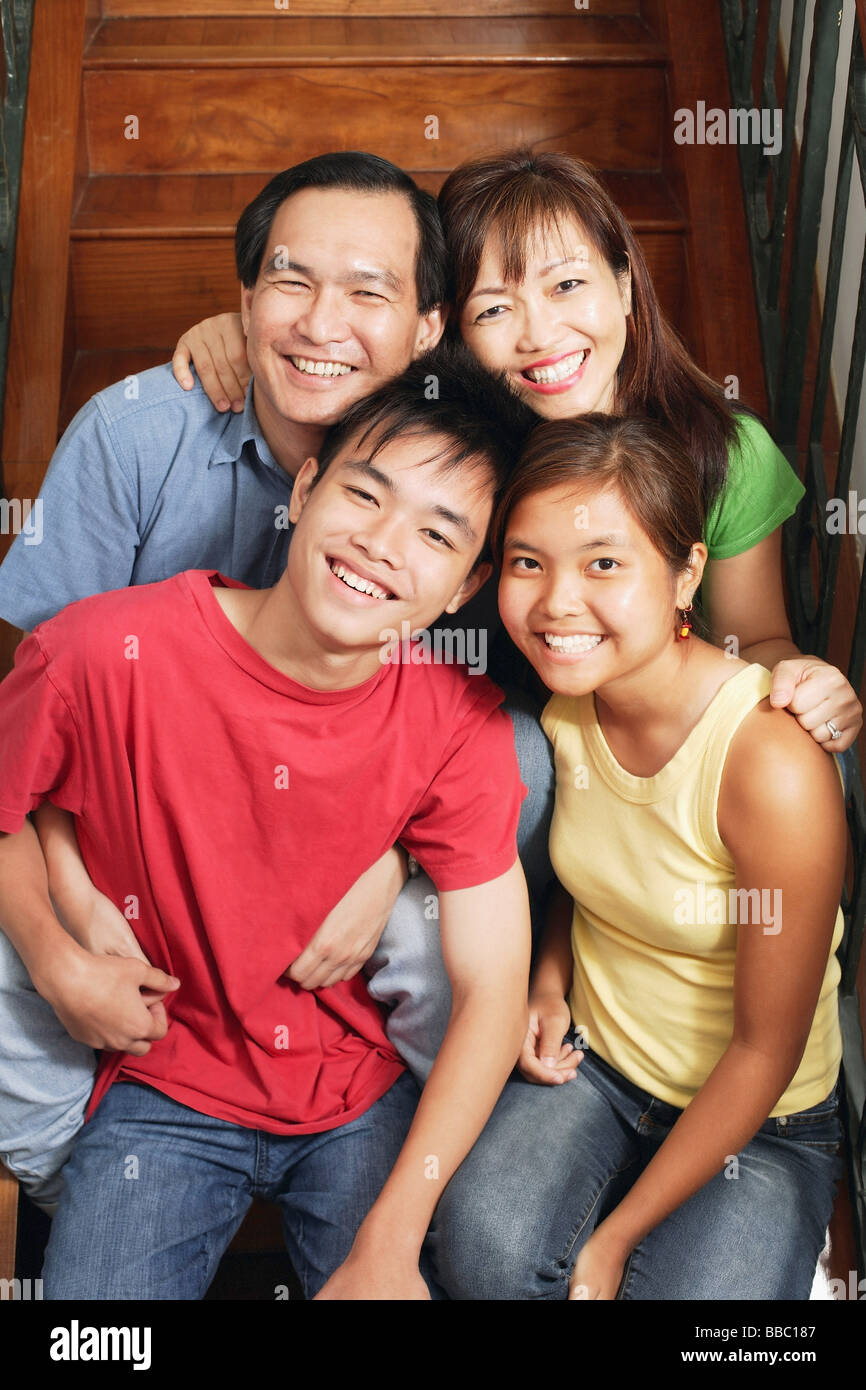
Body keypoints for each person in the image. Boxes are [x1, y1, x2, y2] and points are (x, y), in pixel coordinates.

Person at [0, 356, 532, 1300]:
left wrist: (394, 1237)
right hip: (162, 1089)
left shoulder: (461, 725)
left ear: (465, 586)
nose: (380, 545)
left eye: (435, 535)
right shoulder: (100, 651)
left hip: (359, 1096)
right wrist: (53, 955)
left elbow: (493, 990)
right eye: (364, 495)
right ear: (305, 485)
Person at [175, 147, 861, 752]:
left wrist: (805, 681)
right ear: (449, 335)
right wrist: (242, 335)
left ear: (623, 285)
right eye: (493, 309)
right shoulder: (458, 450)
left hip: (656, 743)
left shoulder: (721, 448)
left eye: (567, 285)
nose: (540, 335)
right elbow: (338, 365)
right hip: (487, 731)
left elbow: (757, 639)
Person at [426, 413, 845, 1301]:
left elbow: (763, 1053)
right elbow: (588, 881)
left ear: (688, 571)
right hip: (601, 1068)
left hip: (762, 1117)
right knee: (478, 1251)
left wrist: (611, 1243)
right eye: (528, 562)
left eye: (603, 563)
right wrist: (546, 983)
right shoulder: (564, 706)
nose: (556, 603)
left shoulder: (772, 760)